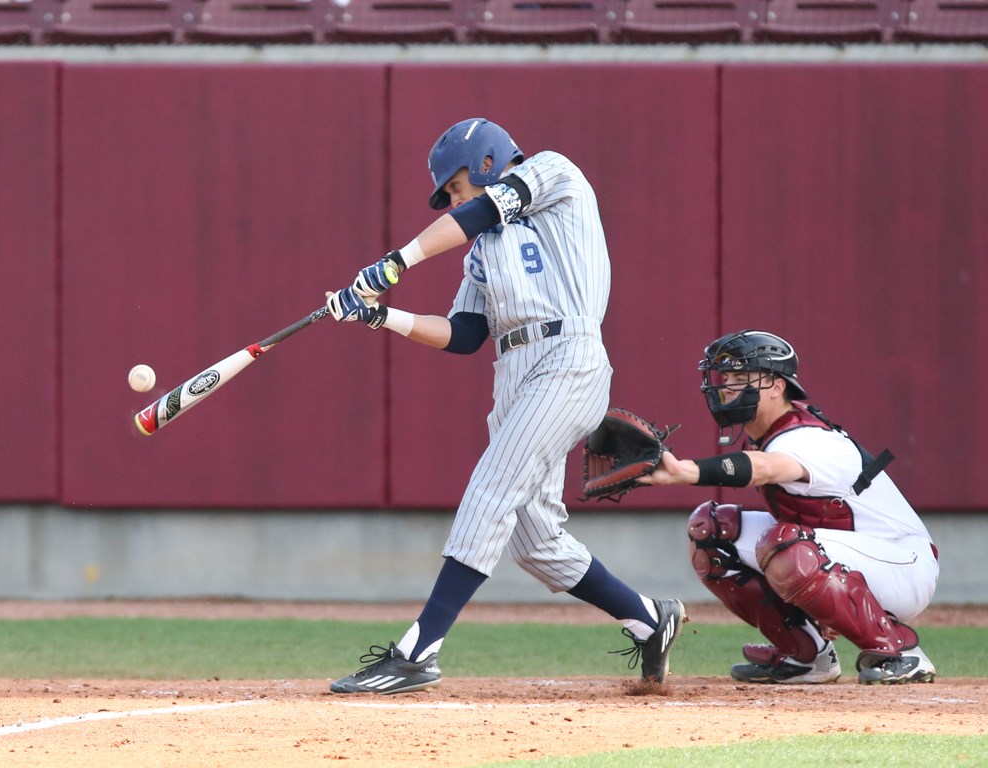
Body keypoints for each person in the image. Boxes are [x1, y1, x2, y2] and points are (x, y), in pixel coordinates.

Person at [322, 117, 686, 694]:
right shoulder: (484, 250)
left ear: (487, 162)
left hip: (568, 355)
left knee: (490, 489)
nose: (453, 200)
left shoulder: (553, 172)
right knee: (536, 543)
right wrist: (380, 315)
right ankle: (649, 618)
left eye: (456, 186)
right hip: (514, 372)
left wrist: (396, 261)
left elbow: (484, 210)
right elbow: (465, 333)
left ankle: (419, 649)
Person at [638, 330, 939, 685]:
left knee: (785, 544)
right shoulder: (774, 434)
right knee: (711, 530)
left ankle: (901, 651)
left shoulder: (806, 437)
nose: (728, 388)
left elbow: (765, 468)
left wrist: (684, 471)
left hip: (903, 566)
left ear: (777, 386)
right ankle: (806, 655)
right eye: (726, 378)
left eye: (741, 378)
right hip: (849, 553)